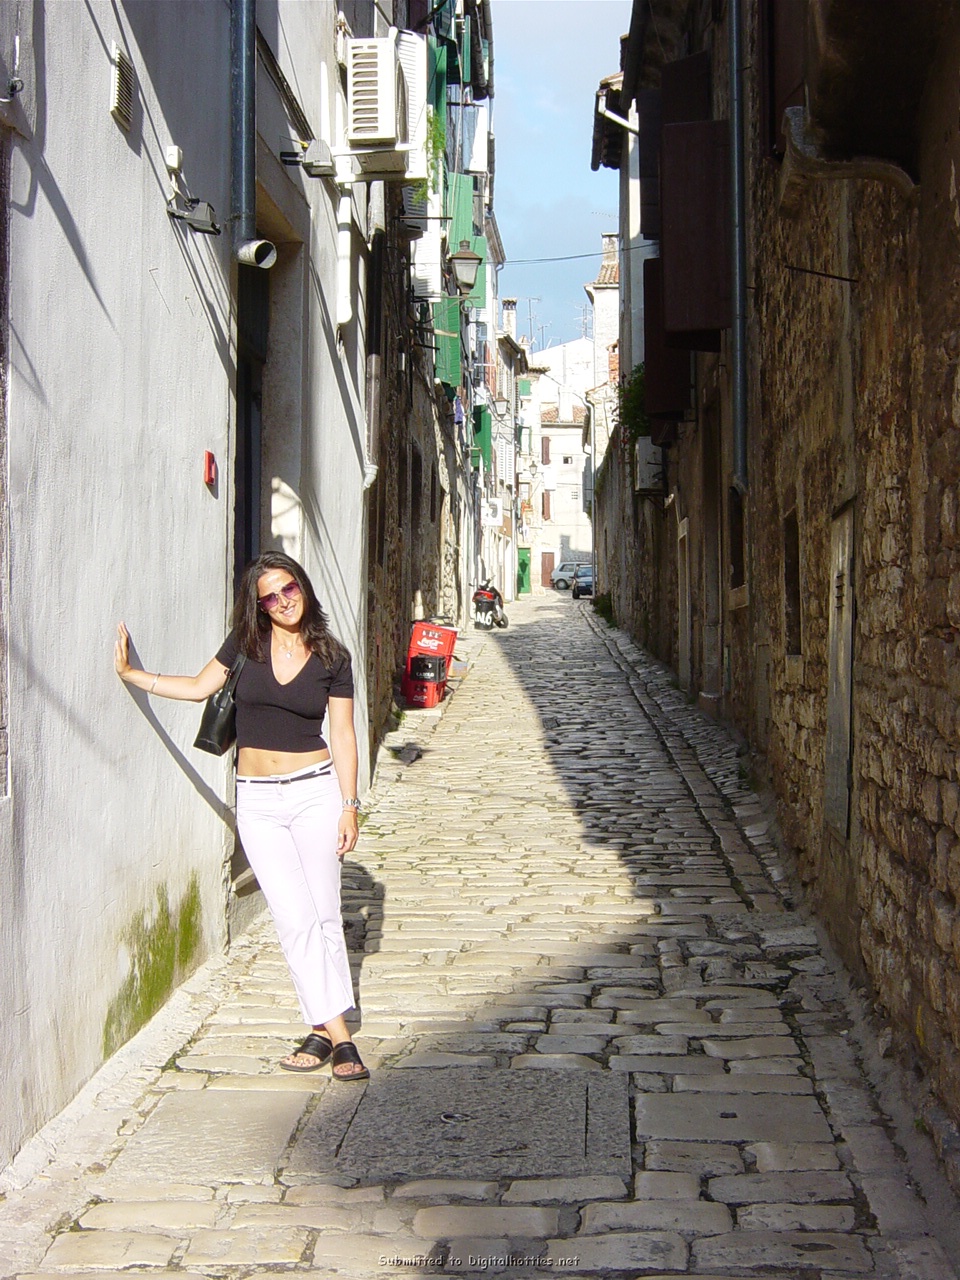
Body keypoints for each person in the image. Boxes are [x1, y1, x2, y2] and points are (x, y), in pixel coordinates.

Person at [114, 551, 368, 1080]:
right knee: (293, 917)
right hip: (258, 800)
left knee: (324, 914)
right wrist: (135, 675)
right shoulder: (245, 646)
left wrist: (349, 805)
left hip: (315, 793)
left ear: (303, 587)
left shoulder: (333, 657)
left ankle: (323, 1031)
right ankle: (341, 1036)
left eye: (288, 589)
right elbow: (198, 688)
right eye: (269, 597)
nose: (282, 601)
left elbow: (343, 735)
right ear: (259, 606)